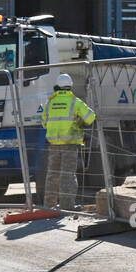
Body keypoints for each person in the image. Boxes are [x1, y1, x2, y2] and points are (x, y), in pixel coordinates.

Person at [41, 73, 96, 213]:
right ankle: (67, 206)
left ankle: (49, 205)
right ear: (70, 87)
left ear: (57, 87)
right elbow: (90, 118)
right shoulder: (75, 102)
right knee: (67, 175)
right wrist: (79, 121)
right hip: (70, 144)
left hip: (54, 145)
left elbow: (44, 123)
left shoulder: (49, 102)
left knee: (52, 174)